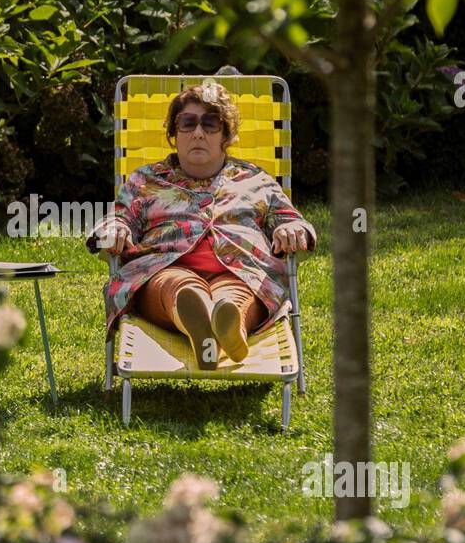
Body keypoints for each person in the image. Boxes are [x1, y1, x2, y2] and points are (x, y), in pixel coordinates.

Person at [87, 82, 315, 369]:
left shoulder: (255, 180)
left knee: (237, 296)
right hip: (164, 269)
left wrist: (290, 229)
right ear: (174, 133)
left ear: (226, 135)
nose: (198, 133)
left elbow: (290, 218)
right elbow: (120, 217)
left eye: (210, 124)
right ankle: (202, 322)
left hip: (240, 272)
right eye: (188, 123)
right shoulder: (146, 180)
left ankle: (226, 326)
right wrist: (115, 230)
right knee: (176, 287)